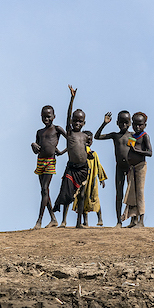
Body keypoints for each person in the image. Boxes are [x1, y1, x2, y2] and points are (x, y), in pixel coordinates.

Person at [52, 86, 89, 228]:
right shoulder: (70, 133)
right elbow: (68, 115)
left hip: (83, 169)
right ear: (71, 121)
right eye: (75, 121)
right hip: (71, 168)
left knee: (81, 196)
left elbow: (81, 149)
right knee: (67, 194)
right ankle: (63, 221)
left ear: (84, 123)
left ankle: (79, 222)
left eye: (80, 121)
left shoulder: (85, 136)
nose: (77, 123)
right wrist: (72, 99)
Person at [94, 110, 133, 226]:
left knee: (131, 195)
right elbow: (97, 137)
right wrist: (104, 123)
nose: (124, 125)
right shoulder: (115, 136)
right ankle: (118, 221)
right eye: (121, 123)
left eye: (126, 123)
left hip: (130, 168)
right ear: (117, 123)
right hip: (119, 168)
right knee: (119, 194)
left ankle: (133, 220)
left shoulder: (132, 136)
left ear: (130, 123)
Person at [31, 104, 66, 228]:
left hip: (50, 161)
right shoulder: (39, 132)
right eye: (43, 117)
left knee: (44, 189)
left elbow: (71, 139)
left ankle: (39, 221)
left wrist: (62, 151)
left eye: (48, 117)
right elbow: (36, 150)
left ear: (54, 117)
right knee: (44, 191)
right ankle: (53, 219)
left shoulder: (57, 129)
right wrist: (33, 145)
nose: (46, 119)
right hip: (40, 161)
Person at [121, 111, 152, 228]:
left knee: (140, 193)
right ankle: (133, 220)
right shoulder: (132, 136)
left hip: (140, 167)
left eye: (140, 124)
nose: (137, 127)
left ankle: (141, 221)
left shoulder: (145, 136)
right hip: (132, 168)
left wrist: (136, 151)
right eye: (135, 124)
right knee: (132, 194)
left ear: (145, 125)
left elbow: (150, 152)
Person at [73, 132, 108, 227]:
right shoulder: (80, 153)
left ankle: (100, 218)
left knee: (95, 198)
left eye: (89, 140)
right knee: (83, 199)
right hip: (83, 181)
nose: (88, 142)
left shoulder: (94, 154)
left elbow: (98, 166)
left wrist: (102, 179)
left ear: (92, 142)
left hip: (92, 181)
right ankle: (85, 221)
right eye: (86, 140)